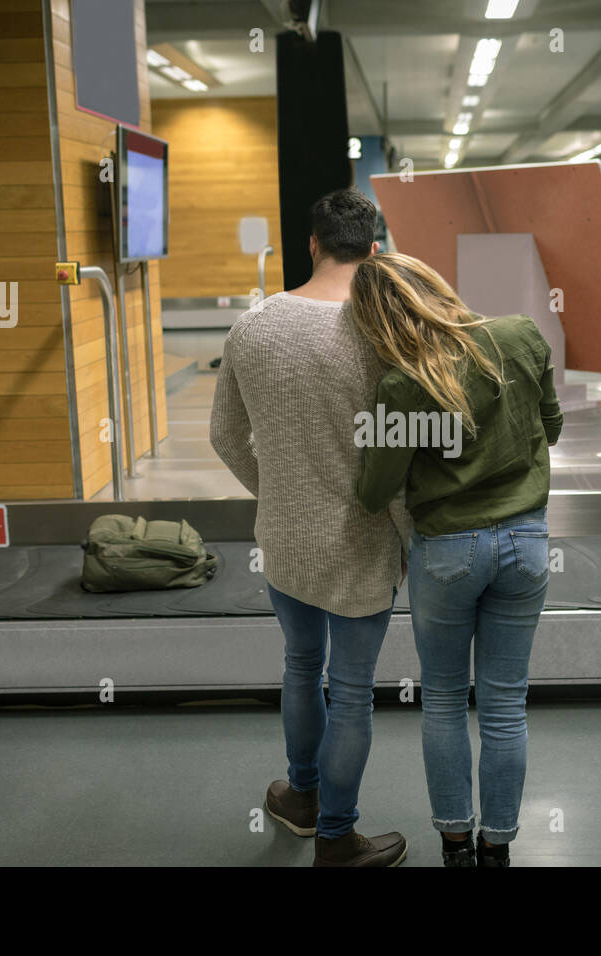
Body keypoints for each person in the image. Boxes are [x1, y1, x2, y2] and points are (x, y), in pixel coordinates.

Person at [210, 188, 411, 867]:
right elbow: (402, 446)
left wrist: (276, 494)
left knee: (300, 665)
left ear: (313, 244)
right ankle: (337, 838)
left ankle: (300, 797)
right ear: (375, 251)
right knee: (350, 692)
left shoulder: (253, 326)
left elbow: (225, 435)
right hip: (362, 540)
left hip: (284, 541)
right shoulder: (385, 331)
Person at [349, 253, 563, 867]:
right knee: (504, 703)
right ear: (437, 286)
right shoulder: (520, 334)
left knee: (443, 699)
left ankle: (455, 845)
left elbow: (371, 494)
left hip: (446, 553)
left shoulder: (401, 383)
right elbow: (551, 427)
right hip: (524, 545)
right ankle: (498, 848)